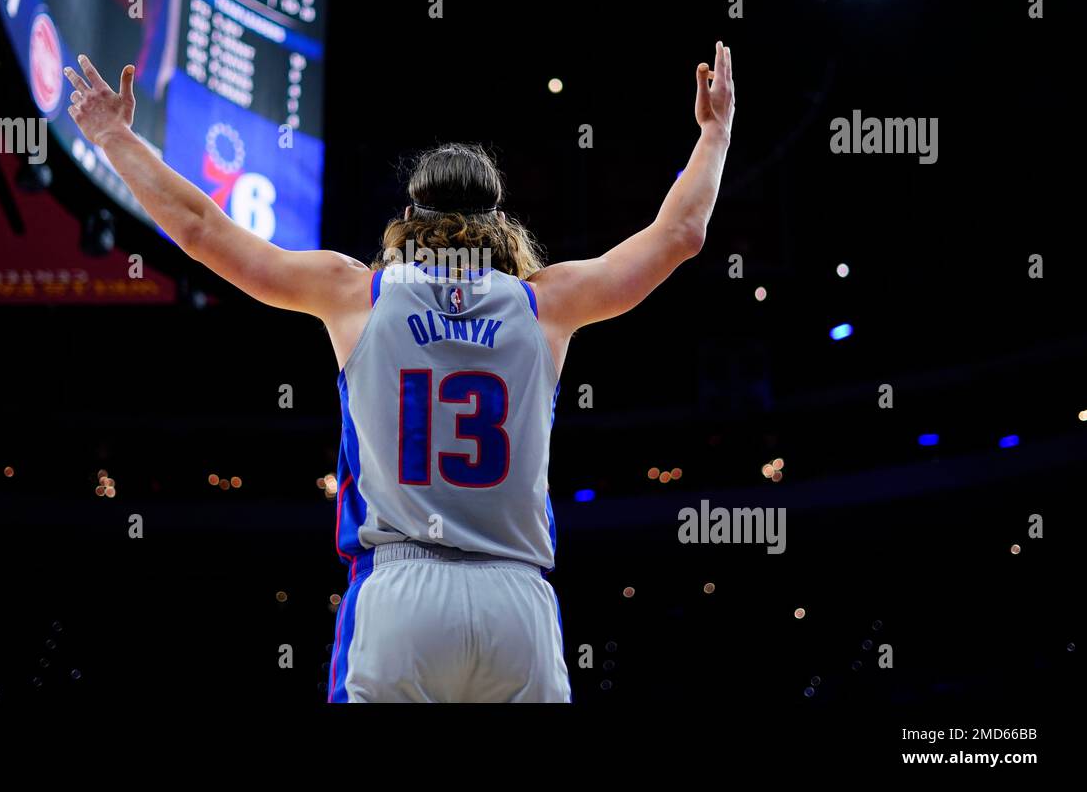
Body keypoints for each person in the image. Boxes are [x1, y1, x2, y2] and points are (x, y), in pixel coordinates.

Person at [64, 41, 735, 702]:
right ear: (499, 221)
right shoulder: (548, 303)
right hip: (517, 603)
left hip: (401, 598)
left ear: (409, 217)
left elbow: (201, 228)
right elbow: (681, 235)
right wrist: (714, 133)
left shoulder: (355, 292)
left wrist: (113, 138)